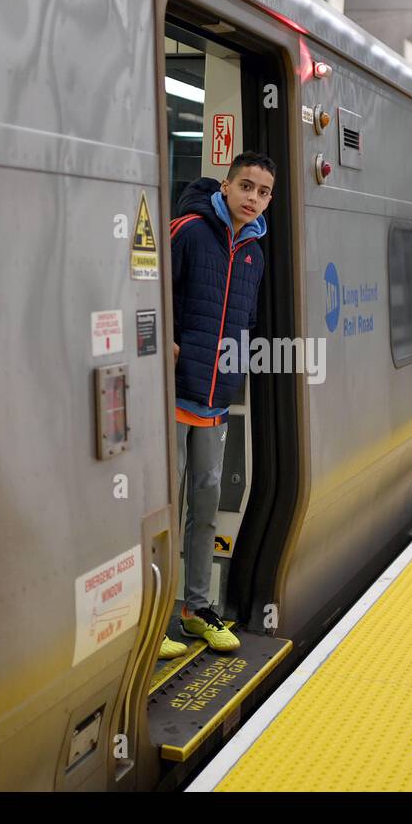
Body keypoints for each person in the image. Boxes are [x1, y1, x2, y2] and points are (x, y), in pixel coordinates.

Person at [159, 152, 275, 658]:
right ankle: (154, 622)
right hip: (171, 393)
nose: (253, 198)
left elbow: (242, 321)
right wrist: (167, 340)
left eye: (264, 192)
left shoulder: (254, 251)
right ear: (225, 186)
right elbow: (147, 286)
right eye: (245, 186)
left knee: (204, 509)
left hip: (213, 400)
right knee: (164, 512)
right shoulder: (187, 231)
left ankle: (197, 609)